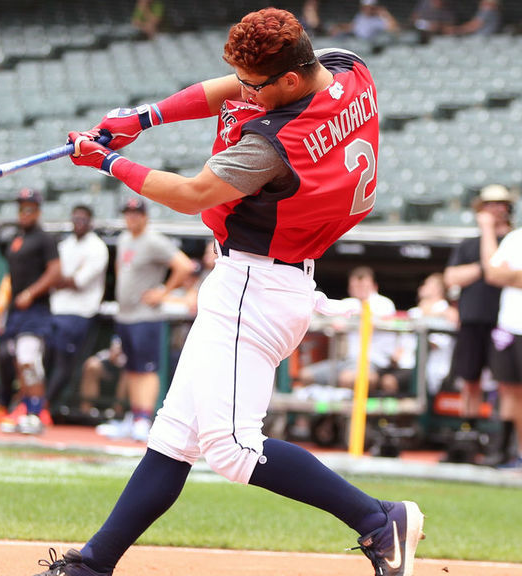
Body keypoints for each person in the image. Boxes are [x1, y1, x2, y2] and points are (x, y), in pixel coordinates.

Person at [32, 8, 424, 576]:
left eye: (255, 84)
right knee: (174, 438)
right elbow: (231, 89)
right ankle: (92, 565)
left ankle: (379, 520)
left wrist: (109, 161)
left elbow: (193, 194)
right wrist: (143, 117)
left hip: (255, 286)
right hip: (271, 279)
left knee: (234, 449)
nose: (243, 92)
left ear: (291, 78)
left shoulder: (274, 143)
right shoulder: (348, 69)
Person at [94, 197, 193, 443]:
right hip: (125, 314)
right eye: (127, 213)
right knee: (131, 368)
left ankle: (143, 419)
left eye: (136, 214)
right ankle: (134, 415)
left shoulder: (153, 240)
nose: (131, 218)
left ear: (145, 216)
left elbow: (184, 265)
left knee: (146, 369)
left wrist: (163, 292)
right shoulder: (124, 239)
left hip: (145, 316)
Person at [443, 184, 512, 451]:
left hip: (503, 322)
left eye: (499, 204)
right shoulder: (468, 244)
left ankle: (503, 441)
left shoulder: (514, 241)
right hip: (472, 319)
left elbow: (496, 269)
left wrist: (487, 237)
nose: (493, 210)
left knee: (506, 383)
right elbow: (451, 277)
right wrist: (482, 267)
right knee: (469, 380)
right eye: (488, 204)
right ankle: (468, 436)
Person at [0, 188, 61, 435]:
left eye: (30, 208)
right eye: (22, 208)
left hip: (36, 309)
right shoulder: (17, 238)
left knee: (28, 359)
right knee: (17, 362)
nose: (25, 213)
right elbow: (11, 278)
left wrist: (31, 293)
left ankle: (36, 412)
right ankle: (25, 409)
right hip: (16, 311)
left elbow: (55, 272)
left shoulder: (45, 239)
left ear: (38, 211)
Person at [484, 178, 522, 470]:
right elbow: (493, 274)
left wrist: (511, 275)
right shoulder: (516, 238)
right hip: (510, 324)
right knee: (515, 391)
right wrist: (519, 276)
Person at [46, 204, 109, 410]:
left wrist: (57, 279)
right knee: (46, 360)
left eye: (83, 219)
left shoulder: (97, 247)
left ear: (90, 222)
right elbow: (54, 275)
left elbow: (78, 281)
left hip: (80, 313)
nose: (79, 223)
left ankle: (45, 407)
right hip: (57, 310)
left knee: (65, 363)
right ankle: (38, 406)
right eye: (76, 219)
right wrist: (58, 279)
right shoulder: (65, 245)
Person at [299, 266, 397, 391]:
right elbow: (323, 318)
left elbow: (370, 319)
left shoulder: (384, 303)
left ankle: (346, 403)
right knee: (306, 375)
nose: (360, 290)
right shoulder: (349, 302)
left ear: (374, 287)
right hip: (346, 360)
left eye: (364, 286)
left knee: (349, 378)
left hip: (373, 361)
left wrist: (348, 319)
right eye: (356, 287)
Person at [329, 0, 399, 41]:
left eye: (370, 7)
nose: (366, 9)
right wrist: (339, 27)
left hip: (370, 46)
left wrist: (385, 14)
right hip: (356, 41)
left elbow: (394, 29)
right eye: (364, 7)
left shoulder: (379, 18)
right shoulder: (361, 15)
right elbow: (353, 27)